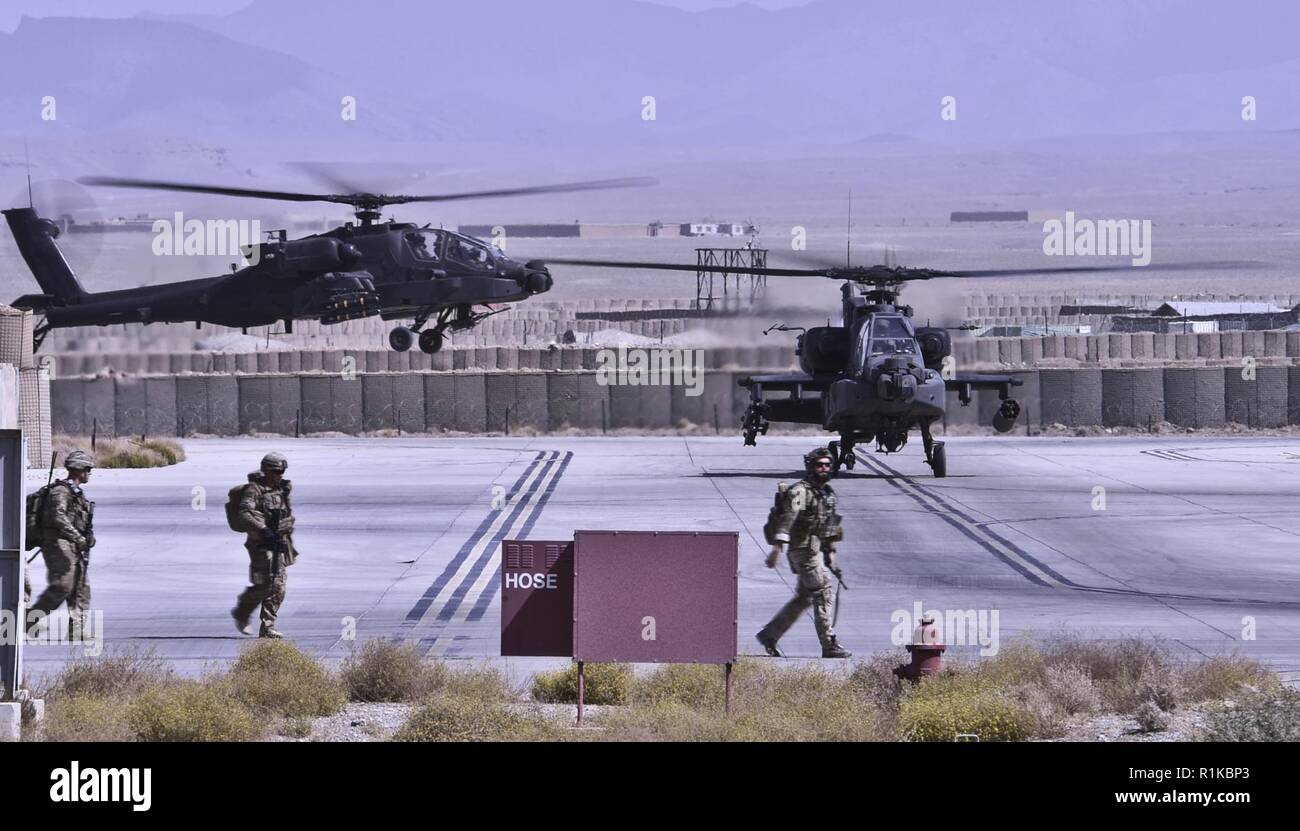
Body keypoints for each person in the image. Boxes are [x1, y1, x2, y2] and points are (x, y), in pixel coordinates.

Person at [756, 447, 851, 659]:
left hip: (813, 551)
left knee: (805, 597)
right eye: (819, 465)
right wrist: (777, 548)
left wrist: (830, 553)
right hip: (802, 551)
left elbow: (829, 526)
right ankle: (829, 644)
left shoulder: (826, 493)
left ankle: (770, 634)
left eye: (827, 465)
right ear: (810, 467)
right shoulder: (800, 491)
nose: (823, 468)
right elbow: (788, 518)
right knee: (823, 591)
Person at [28, 450, 96, 641]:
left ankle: (77, 629)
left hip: (73, 544)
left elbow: (78, 520)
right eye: (87, 469)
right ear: (78, 469)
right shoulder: (61, 491)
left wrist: (88, 538)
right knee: (63, 585)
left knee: (81, 587)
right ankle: (30, 618)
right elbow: (58, 517)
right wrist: (78, 538)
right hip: (57, 543)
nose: (89, 473)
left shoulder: (77, 493)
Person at [230, 452, 297, 639]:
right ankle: (242, 611)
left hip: (279, 542)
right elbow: (244, 513)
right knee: (265, 585)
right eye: (277, 472)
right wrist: (263, 529)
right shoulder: (255, 490)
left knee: (279, 586)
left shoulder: (281, 489)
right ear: (267, 471)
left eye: (282, 472)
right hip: (260, 543)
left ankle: (267, 627)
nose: (280, 475)